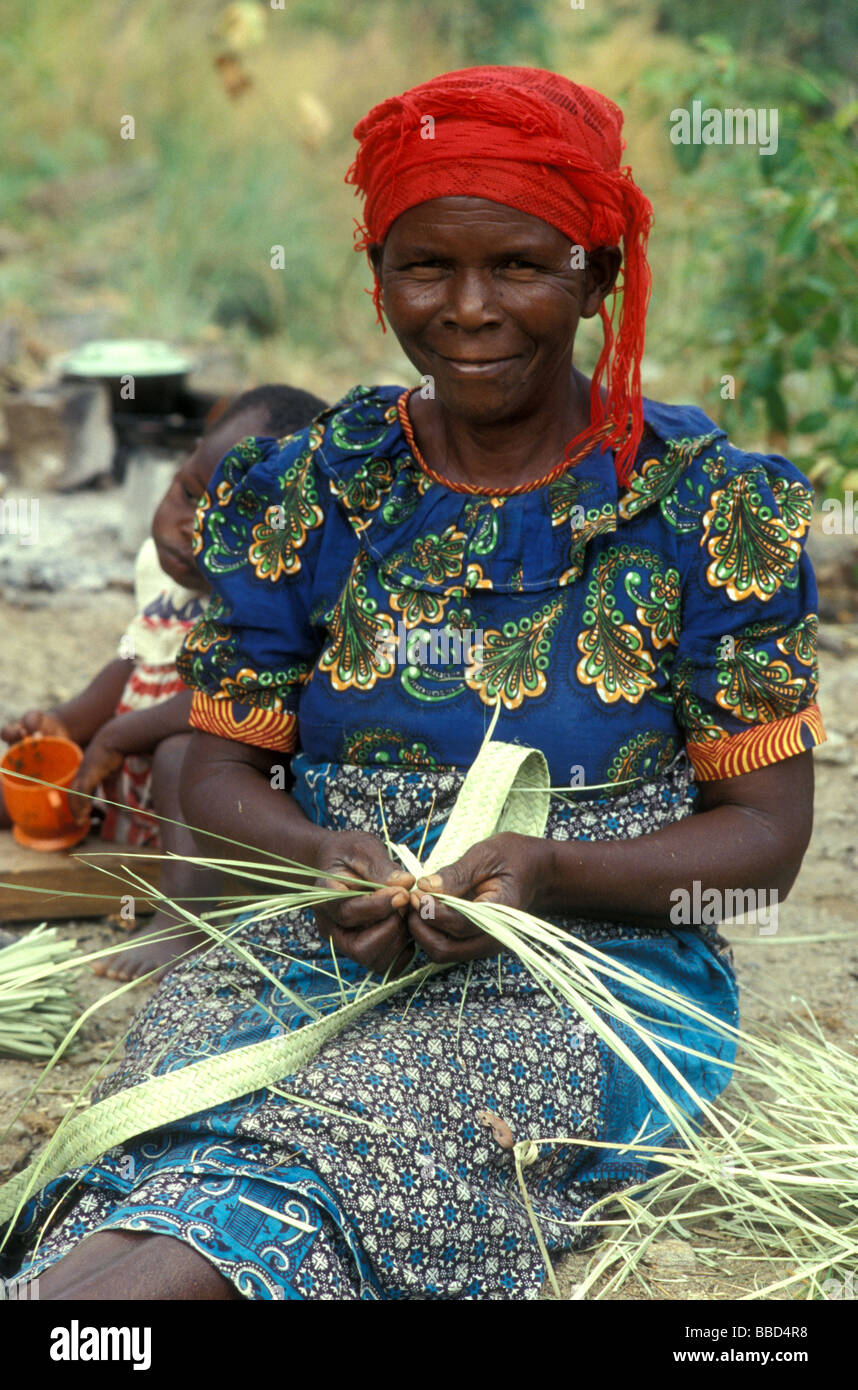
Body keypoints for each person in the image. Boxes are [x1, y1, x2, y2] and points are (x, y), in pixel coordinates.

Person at [2, 67, 823, 1300]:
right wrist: (314, 850)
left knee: (322, 1161)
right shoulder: (306, 487)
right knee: (151, 1146)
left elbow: (762, 842)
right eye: (425, 267)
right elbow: (215, 761)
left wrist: (551, 872)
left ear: (599, 277)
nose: (470, 307)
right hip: (310, 938)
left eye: (522, 267)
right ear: (378, 276)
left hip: (594, 970)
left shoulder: (709, 507)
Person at [0, 384, 327, 981]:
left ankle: (184, 913)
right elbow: (136, 654)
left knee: (183, 751)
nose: (189, 530)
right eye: (188, 494)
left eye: (231, 523)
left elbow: (232, 705)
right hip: (128, 791)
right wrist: (71, 723)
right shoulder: (166, 575)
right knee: (21, 775)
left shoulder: (280, 604)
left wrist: (126, 733)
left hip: (204, 811)